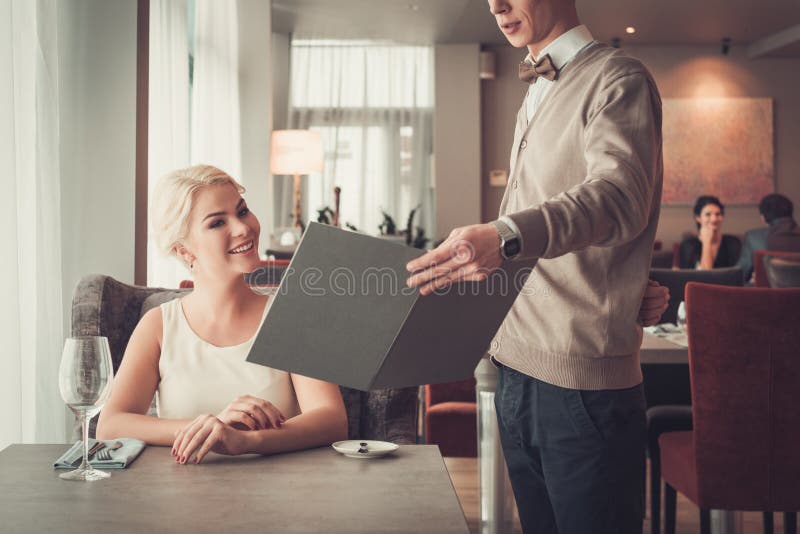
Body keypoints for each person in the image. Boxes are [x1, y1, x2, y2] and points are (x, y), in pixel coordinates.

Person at [406, 1, 666, 532]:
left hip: (582, 388)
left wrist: (503, 236)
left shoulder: (618, 78)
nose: (497, 4)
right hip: (517, 374)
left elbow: (618, 199)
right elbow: (566, 235)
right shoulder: (537, 91)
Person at [97, 165, 347, 464]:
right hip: (182, 500)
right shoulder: (159, 326)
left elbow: (332, 420)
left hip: (283, 498)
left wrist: (246, 440)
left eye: (242, 211)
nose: (243, 228)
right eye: (217, 223)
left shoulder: (290, 315)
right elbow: (110, 425)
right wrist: (214, 426)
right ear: (184, 252)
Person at [738, 194, 800, 282]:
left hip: (771, 293)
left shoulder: (754, 237)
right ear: (791, 213)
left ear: (763, 218)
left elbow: (741, 274)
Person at [678, 195, 741, 270]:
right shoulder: (688, 245)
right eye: (708, 214)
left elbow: (737, 274)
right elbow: (705, 275)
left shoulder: (733, 243)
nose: (714, 219)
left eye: (718, 214)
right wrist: (707, 243)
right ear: (698, 218)